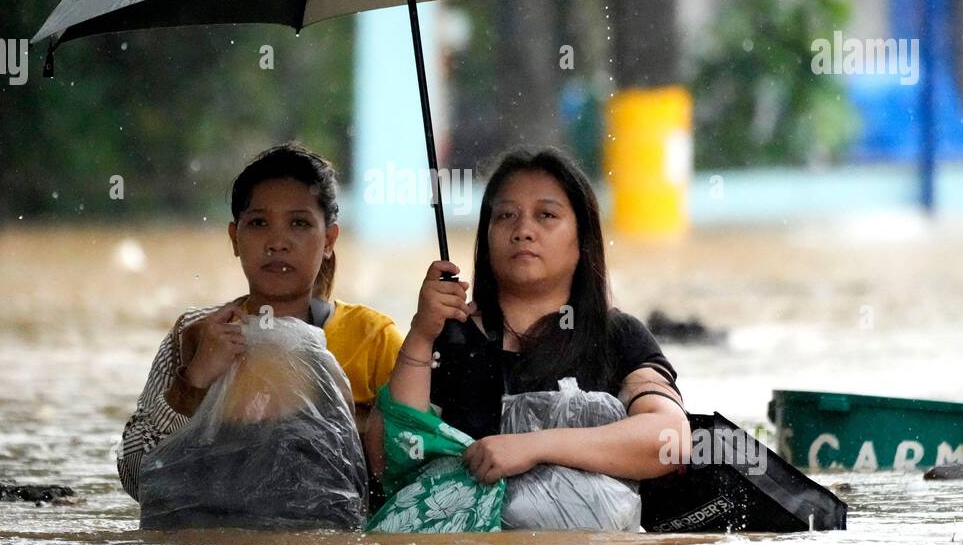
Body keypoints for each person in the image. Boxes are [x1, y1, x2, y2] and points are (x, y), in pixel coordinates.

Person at [380, 147, 691, 487]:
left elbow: (671, 440)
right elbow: (389, 460)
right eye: (506, 216)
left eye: (546, 215)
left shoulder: (615, 335)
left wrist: (534, 447)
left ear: (582, 239)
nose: (523, 230)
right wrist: (421, 335)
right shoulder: (448, 337)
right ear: (486, 238)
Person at [117, 143, 404, 505]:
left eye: (299, 223)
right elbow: (136, 477)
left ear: (329, 240)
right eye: (258, 223)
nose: (277, 242)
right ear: (235, 238)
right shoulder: (196, 334)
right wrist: (194, 382)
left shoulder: (372, 338)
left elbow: (414, 470)